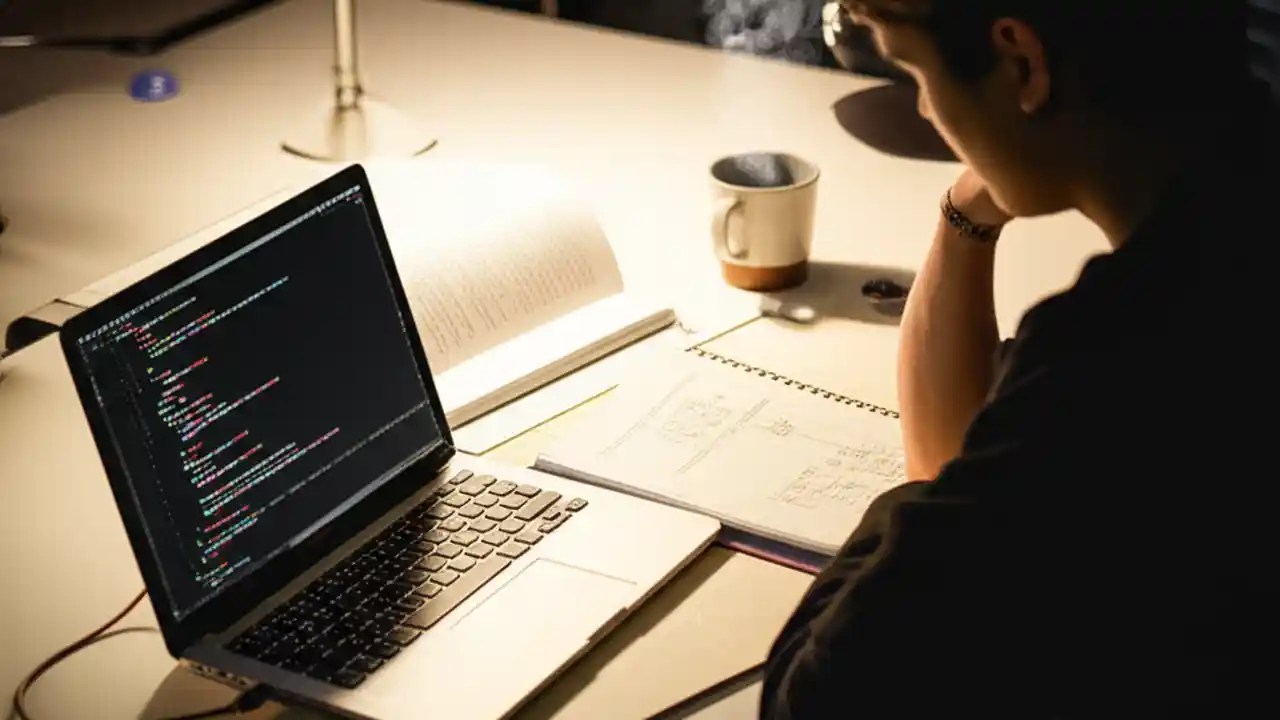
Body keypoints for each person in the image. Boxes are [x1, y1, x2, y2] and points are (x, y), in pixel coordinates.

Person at [762, 1, 1278, 717]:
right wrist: (972, 204)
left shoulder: (1116, 360)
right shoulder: (1239, 216)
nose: (926, 109)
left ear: (1021, 64)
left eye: (915, 72)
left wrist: (906, 512)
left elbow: (812, 700)